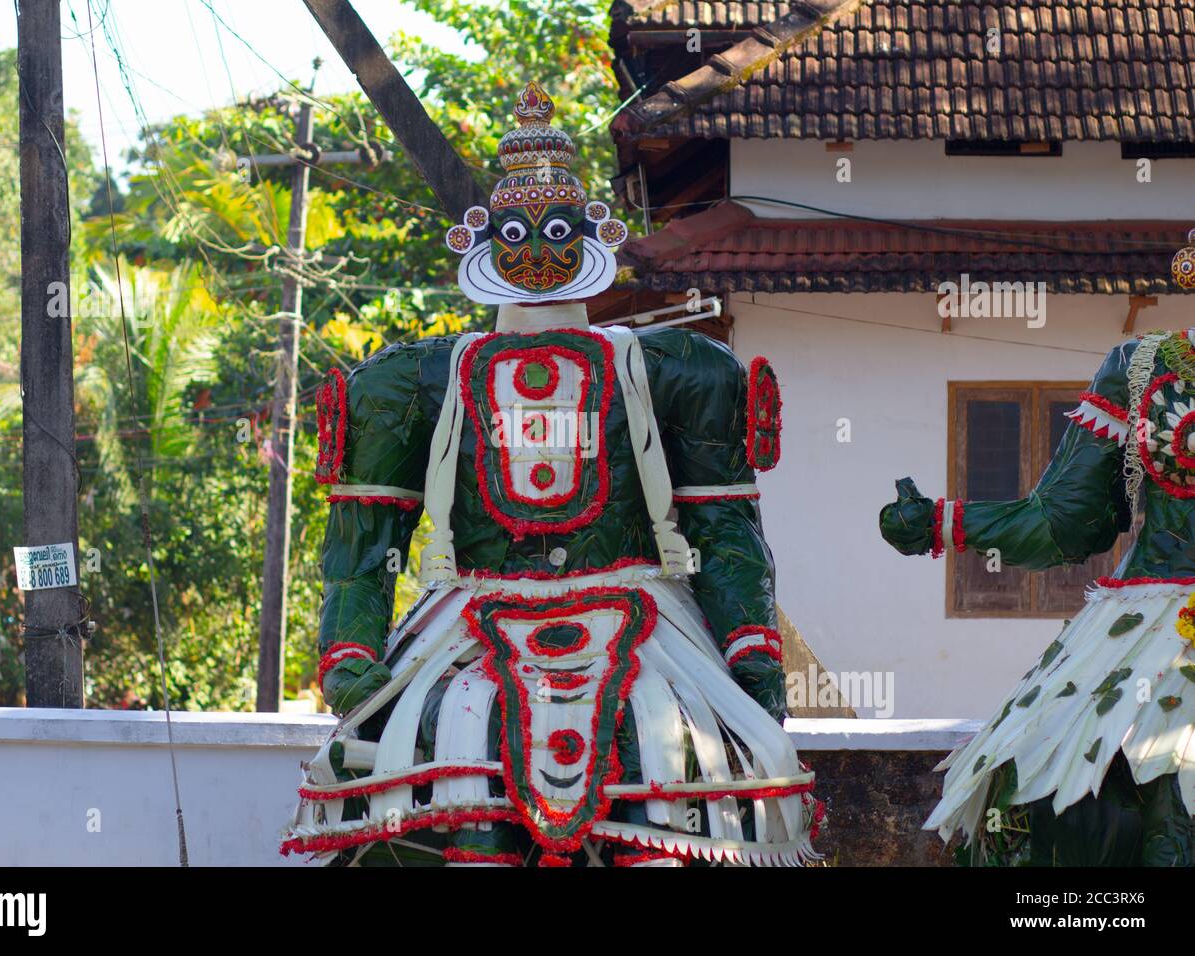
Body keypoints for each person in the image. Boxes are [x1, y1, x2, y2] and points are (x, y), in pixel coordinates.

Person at [279, 82, 821, 867]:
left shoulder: (680, 370)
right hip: (466, 626)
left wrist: (750, 649)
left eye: (558, 230)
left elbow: (723, 528)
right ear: (482, 240)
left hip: (643, 620)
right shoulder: (412, 380)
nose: (537, 250)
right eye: (518, 232)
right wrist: (352, 655)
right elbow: (367, 544)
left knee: (683, 763)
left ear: (594, 237)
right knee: (424, 747)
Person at [880, 322, 1195, 865]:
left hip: (1151, 625)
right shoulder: (1141, 365)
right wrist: (948, 522)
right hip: (1146, 626)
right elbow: (1065, 523)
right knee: (1048, 787)